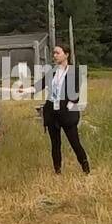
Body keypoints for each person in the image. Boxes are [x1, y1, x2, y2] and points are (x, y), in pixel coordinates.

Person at [23, 45, 91, 175]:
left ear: (66, 55)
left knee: (75, 143)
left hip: (67, 114)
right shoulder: (52, 72)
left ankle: (86, 169)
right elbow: (39, 86)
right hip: (52, 113)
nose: (54, 55)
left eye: (57, 53)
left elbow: (75, 94)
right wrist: (26, 90)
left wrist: (68, 107)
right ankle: (57, 172)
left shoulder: (74, 72)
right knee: (55, 144)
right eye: (54, 53)